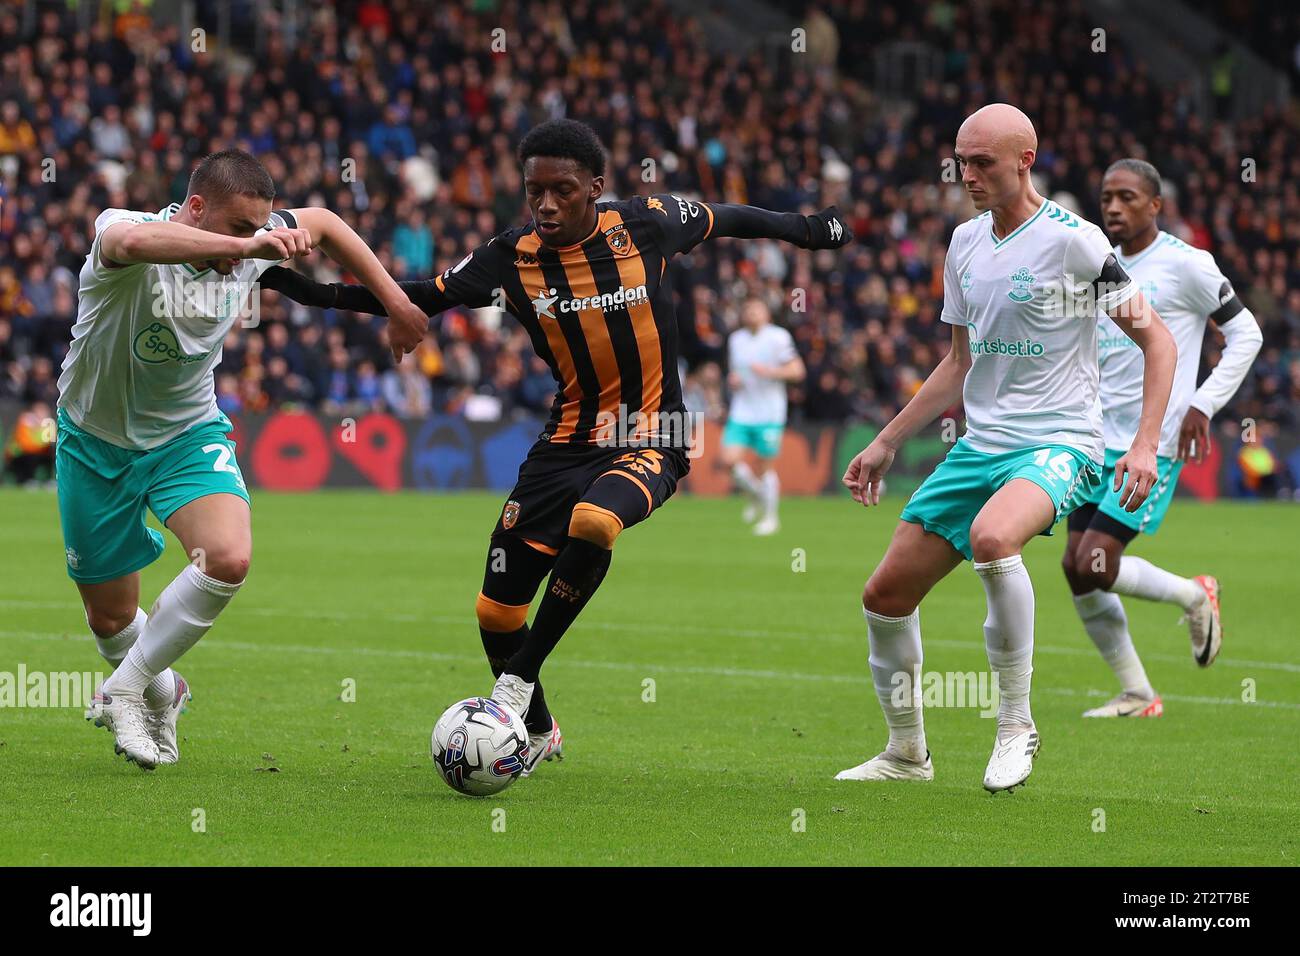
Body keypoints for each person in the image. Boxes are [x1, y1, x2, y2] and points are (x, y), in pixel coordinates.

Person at [269, 118, 853, 774]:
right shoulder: (508, 258)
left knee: (596, 519)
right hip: (566, 439)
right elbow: (411, 298)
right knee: (495, 610)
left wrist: (812, 228)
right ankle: (540, 730)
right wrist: (288, 284)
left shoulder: (649, 222)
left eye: (563, 191)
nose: (546, 204)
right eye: (534, 191)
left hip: (655, 432)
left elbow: (734, 217)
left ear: (595, 188)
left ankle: (516, 686)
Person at [837, 104, 1176, 792]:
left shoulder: (1074, 242)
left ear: (1026, 160)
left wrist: (1143, 444)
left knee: (995, 539)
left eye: (982, 161)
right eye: (961, 160)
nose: (967, 174)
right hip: (981, 445)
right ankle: (906, 754)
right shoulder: (963, 242)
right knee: (884, 595)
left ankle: (1016, 724)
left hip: (1061, 442)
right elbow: (959, 363)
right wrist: (886, 441)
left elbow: (1158, 340)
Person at [62, 148, 427, 770]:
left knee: (227, 558)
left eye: (255, 231)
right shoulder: (122, 230)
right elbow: (138, 240)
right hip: (94, 441)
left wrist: (397, 304)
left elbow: (330, 224)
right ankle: (160, 690)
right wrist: (254, 249)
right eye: (235, 230)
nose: (246, 244)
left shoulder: (249, 243)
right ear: (195, 207)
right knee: (111, 617)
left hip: (186, 434)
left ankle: (124, 688)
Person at [1061, 159, 1262, 718]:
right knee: (1075, 565)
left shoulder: (1187, 265)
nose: (1114, 208)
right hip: (1093, 438)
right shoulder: (1100, 266)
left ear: (1155, 205)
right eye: (1106, 198)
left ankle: (1195, 595)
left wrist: (1203, 402)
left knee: (1097, 561)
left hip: (1150, 445)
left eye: (1127, 197)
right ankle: (1137, 692)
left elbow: (1247, 333)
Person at [720, 297, 805, 535]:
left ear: (767, 313)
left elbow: (797, 370)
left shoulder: (779, 337)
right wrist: (734, 380)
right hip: (742, 410)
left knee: (764, 465)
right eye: (747, 309)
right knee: (728, 461)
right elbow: (736, 372)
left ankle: (770, 518)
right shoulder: (736, 339)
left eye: (757, 309)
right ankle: (758, 495)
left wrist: (769, 372)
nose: (751, 313)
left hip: (769, 412)